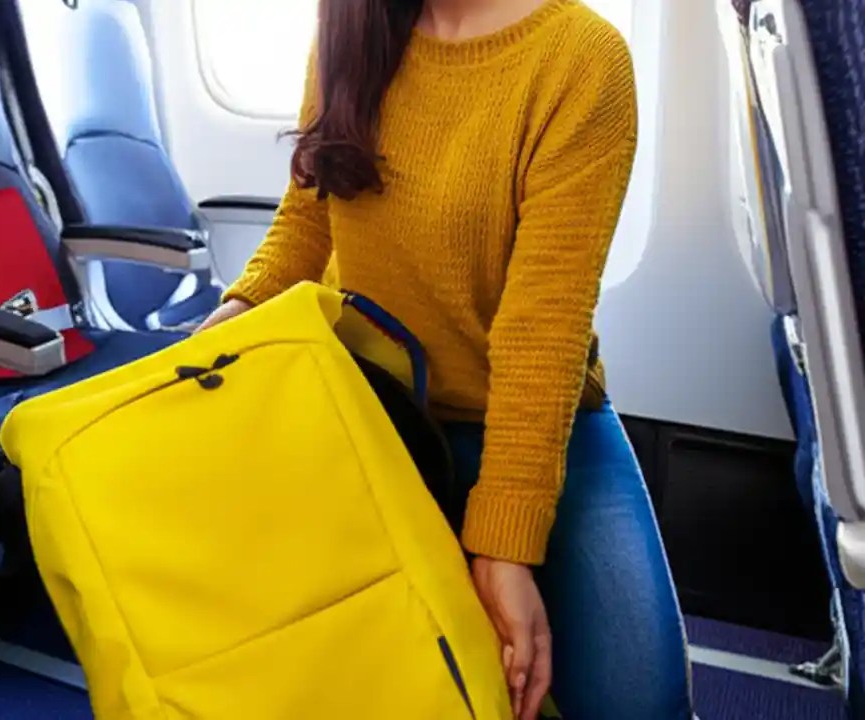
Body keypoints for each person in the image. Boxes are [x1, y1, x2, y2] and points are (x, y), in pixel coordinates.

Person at [197, 1, 694, 718]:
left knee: (641, 702)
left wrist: (504, 547)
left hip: (530, 417)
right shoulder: (352, 29)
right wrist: (231, 321)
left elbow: (543, 329)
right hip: (375, 413)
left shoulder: (583, 58)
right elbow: (308, 223)